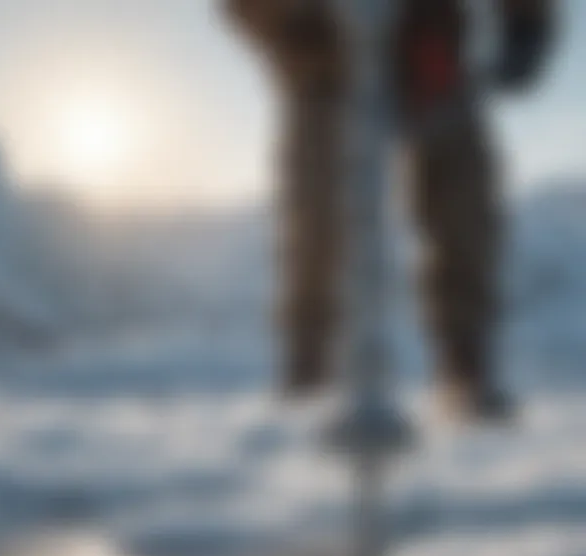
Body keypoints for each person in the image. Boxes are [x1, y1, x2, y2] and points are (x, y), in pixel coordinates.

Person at [224, 0, 556, 420]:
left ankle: (467, 362)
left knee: (463, 205)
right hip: (324, 59)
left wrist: (527, 24)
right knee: (316, 219)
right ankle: (309, 368)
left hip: (430, 54)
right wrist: (286, 26)